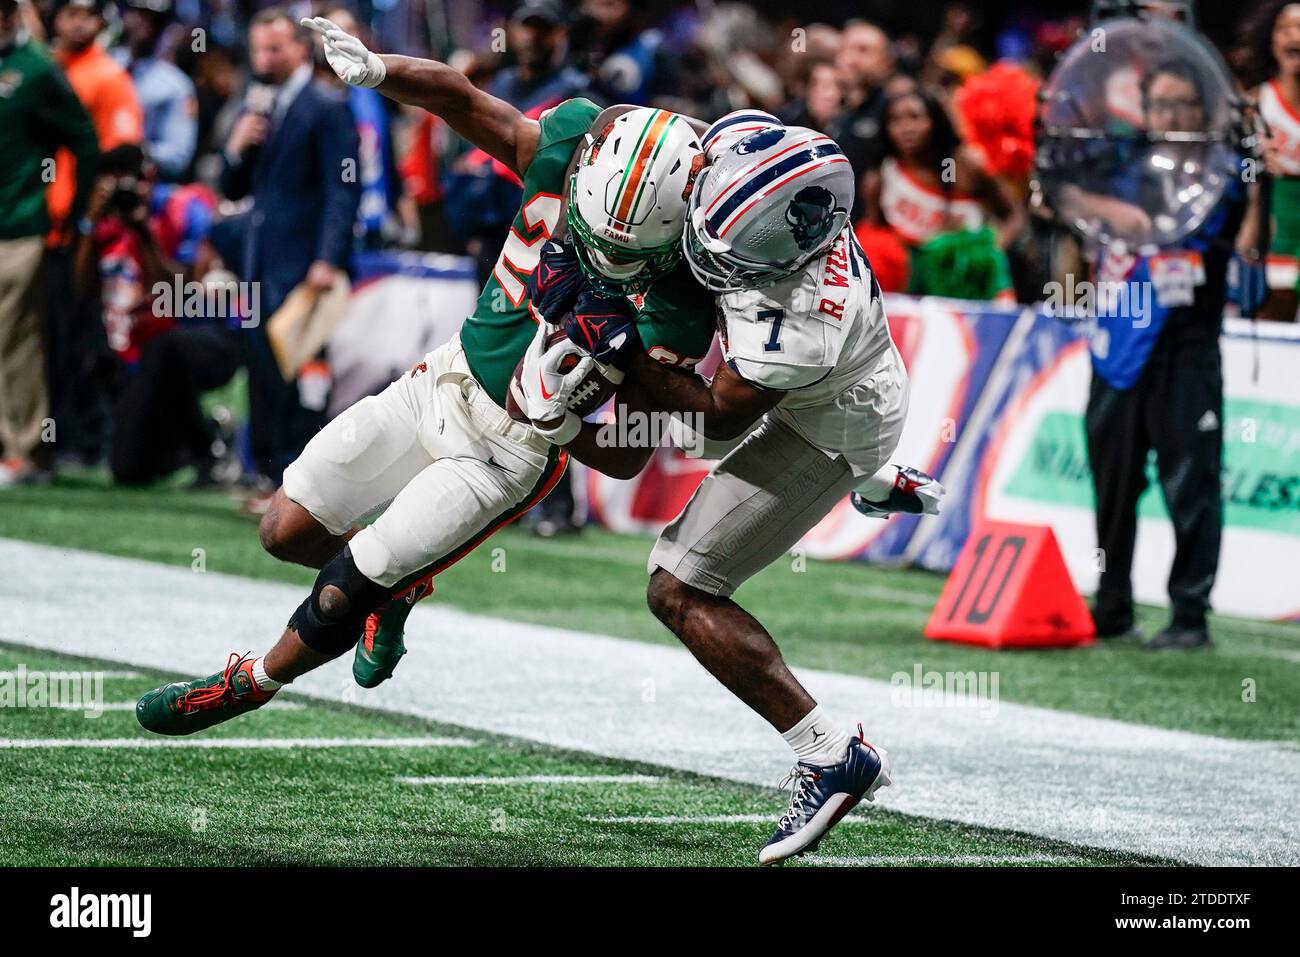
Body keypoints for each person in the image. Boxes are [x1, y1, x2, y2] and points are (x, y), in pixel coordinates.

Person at [135, 20, 716, 726]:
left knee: (352, 581)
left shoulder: (683, 299)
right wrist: (378, 71)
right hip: (443, 375)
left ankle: (253, 681)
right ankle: (399, 592)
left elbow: (628, 453)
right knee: (285, 530)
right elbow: (463, 99)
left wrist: (563, 419)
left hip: (507, 453)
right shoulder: (569, 145)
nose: (601, 249)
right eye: (592, 227)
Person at [569, 115, 940, 864]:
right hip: (847, 384)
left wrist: (611, 345)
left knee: (678, 584)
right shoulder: (753, 158)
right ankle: (874, 479)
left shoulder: (799, 322)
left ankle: (830, 751)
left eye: (726, 253)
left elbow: (713, 422)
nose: (705, 254)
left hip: (827, 424)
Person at [1076, 59, 1260, 650]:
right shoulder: (1124, 169)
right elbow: (1063, 195)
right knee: (1113, 487)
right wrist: (1111, 212)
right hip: (1116, 350)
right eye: (1161, 105)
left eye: (1185, 105)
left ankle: (1189, 616)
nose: (1172, 116)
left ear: (1203, 111)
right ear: (1146, 112)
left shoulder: (1226, 174)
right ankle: (1111, 607)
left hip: (1186, 350)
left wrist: (1264, 180)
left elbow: (1233, 248)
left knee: (1192, 487)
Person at [219, 7, 361, 486]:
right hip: (259, 260)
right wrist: (236, 149)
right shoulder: (257, 106)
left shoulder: (326, 107)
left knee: (297, 375)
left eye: (274, 48)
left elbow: (344, 190)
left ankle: (293, 477)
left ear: (301, 50)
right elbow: (232, 188)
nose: (264, 57)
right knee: (260, 367)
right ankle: (264, 472)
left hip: (303, 265)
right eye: (258, 48)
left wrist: (327, 258)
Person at [71, 144, 239, 486]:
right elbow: (82, 290)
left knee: (164, 349)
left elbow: (178, 294)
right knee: (129, 470)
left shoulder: (180, 210)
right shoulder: (104, 225)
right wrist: (90, 223)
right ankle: (202, 434)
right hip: (135, 356)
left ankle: (207, 450)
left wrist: (143, 232)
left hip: (200, 339)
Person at [0, 0, 98, 487]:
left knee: (14, 342)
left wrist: (72, 215)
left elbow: (84, 140)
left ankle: (27, 453)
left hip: (19, 227)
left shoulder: (37, 70)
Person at [44, 0, 144, 469]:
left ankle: (90, 439)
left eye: (90, 14)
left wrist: (91, 215)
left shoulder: (106, 77)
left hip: (93, 229)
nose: (80, 23)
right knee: (55, 336)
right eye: (71, 13)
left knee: (91, 337)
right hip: (51, 226)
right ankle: (61, 434)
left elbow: (124, 154)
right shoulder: (47, 68)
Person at [1247, 1, 1300, 321]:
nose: (1297, 36)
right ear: (1272, 39)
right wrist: (1254, 166)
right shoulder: (1253, 106)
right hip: (1273, 246)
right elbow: (1233, 174)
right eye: (1286, 29)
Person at [113, 0, 198, 180]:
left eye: (155, 21)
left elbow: (179, 156)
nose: (145, 26)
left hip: (141, 179)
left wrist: (138, 151)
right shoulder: (105, 63)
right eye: (139, 15)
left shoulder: (176, 85)